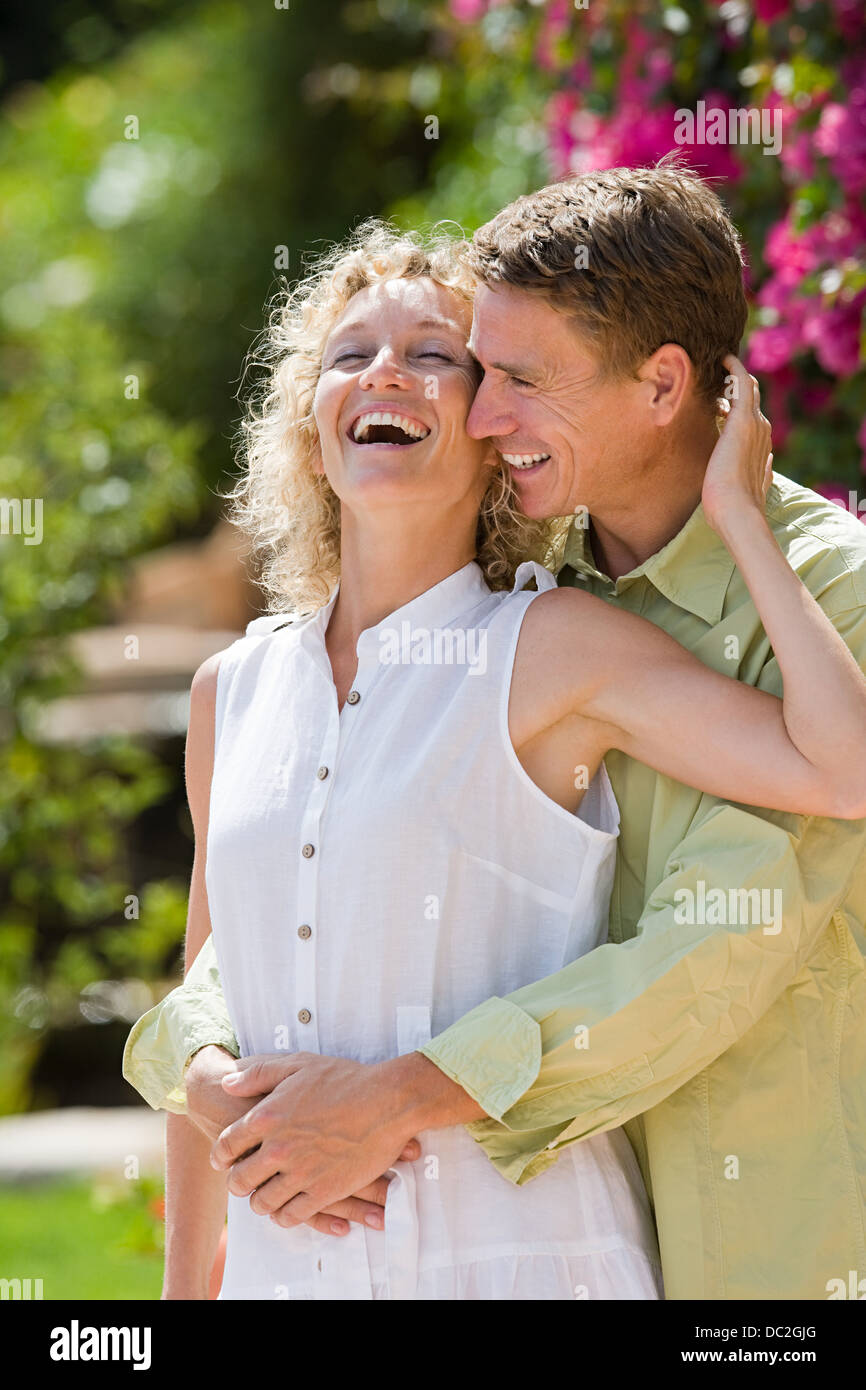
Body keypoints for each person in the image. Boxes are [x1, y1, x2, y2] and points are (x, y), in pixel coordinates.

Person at [125, 163, 866, 1302]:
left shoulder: (597, 632)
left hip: (660, 1242)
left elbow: (736, 909)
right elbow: (221, 971)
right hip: (324, 1255)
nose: (462, 402)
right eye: (348, 355)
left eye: (464, 364)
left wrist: (393, 1099)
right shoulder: (251, 682)